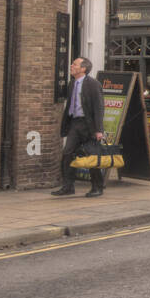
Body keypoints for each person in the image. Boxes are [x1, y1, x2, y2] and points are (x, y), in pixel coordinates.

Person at [53, 56, 105, 198]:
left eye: (74, 64)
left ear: (83, 68)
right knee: (68, 153)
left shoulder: (93, 84)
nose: (71, 66)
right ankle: (68, 186)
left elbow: (99, 107)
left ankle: (97, 187)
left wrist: (99, 130)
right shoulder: (72, 84)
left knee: (92, 156)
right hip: (75, 124)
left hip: (89, 125)